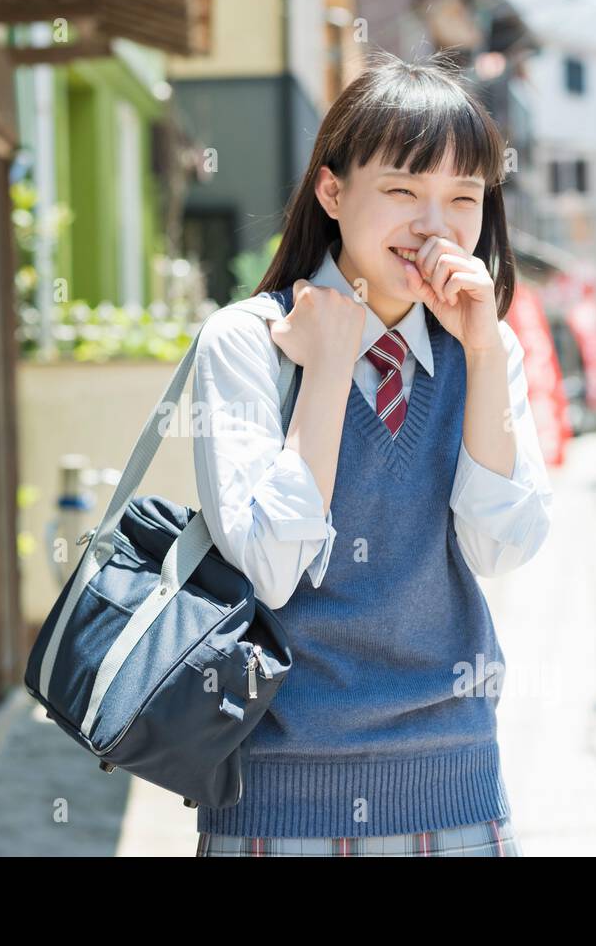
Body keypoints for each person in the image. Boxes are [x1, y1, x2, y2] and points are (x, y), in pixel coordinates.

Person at [189, 50, 554, 857]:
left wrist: (487, 353)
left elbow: (503, 546)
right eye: (402, 189)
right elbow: (273, 566)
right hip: (275, 798)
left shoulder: (483, 350)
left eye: (463, 198)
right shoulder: (245, 343)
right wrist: (325, 367)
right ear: (331, 190)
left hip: (452, 782)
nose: (435, 224)